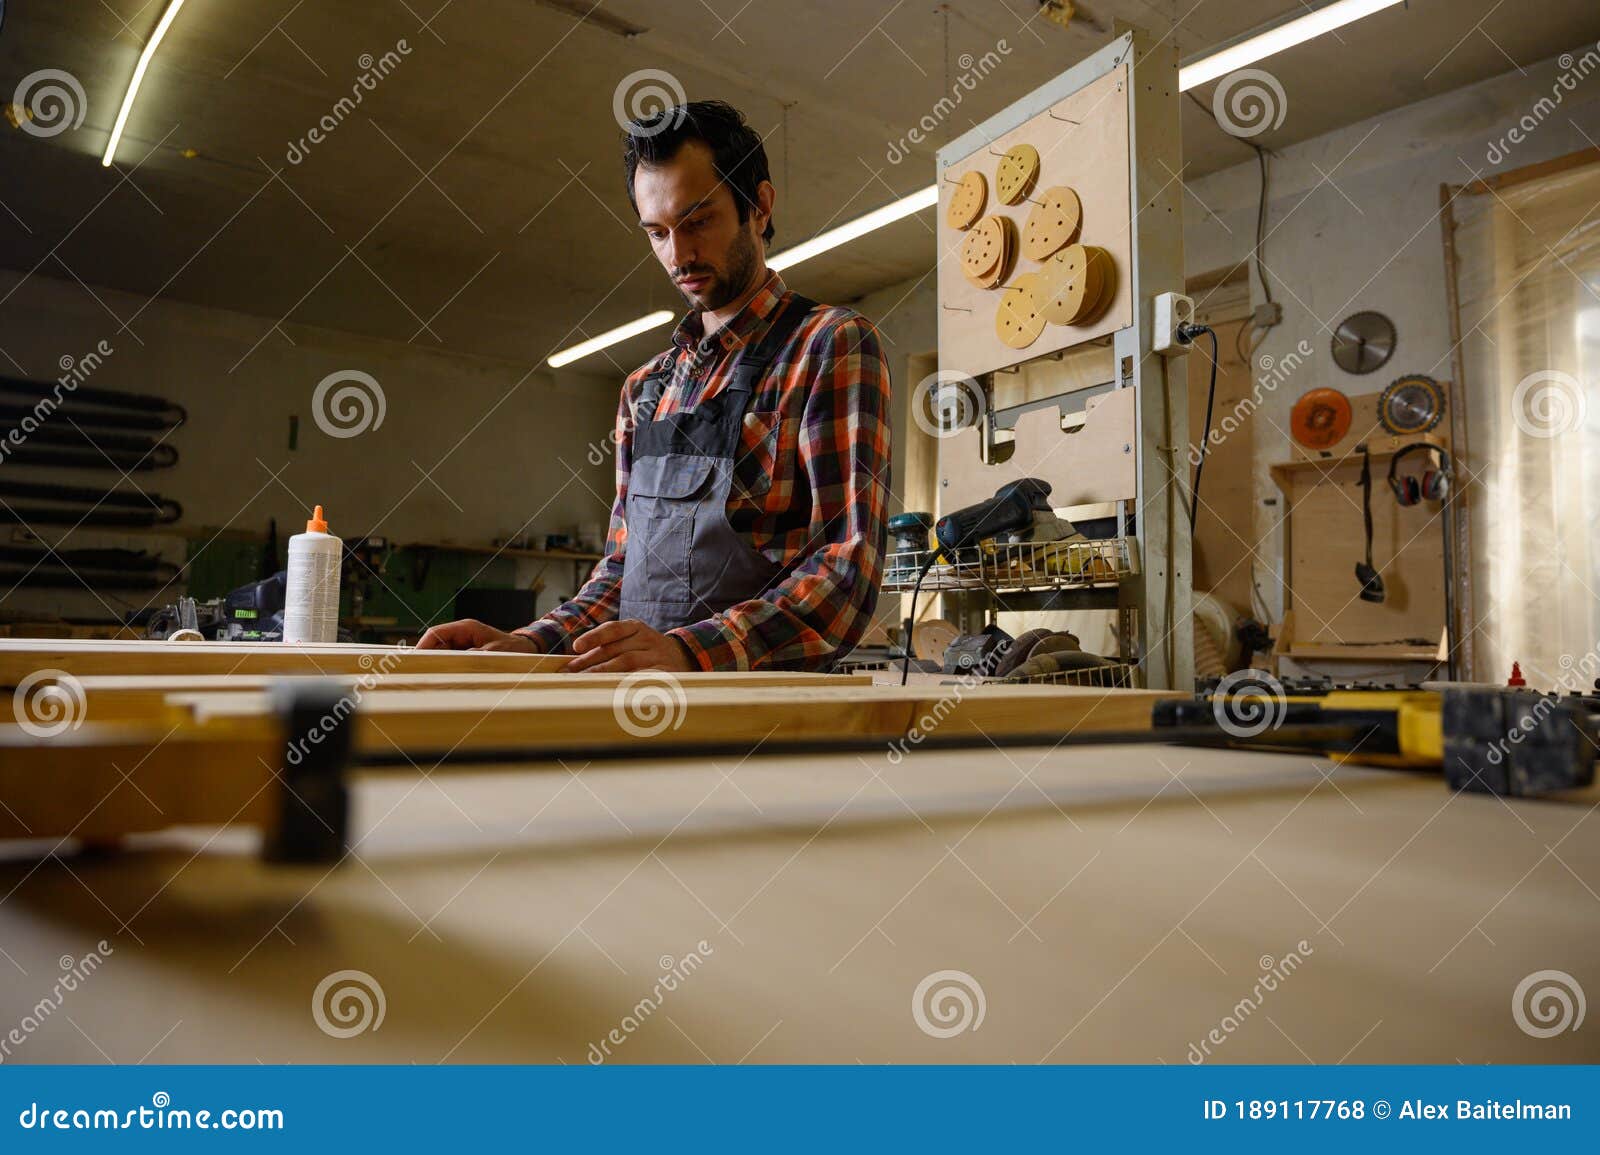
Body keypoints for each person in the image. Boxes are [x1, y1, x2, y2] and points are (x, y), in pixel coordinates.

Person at [418, 100, 891, 672]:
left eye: (697, 222)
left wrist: (688, 652)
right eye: (657, 232)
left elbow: (846, 569)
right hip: (634, 708)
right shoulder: (646, 389)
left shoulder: (828, 345)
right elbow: (620, 573)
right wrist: (530, 642)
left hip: (756, 721)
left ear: (759, 207)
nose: (679, 254)